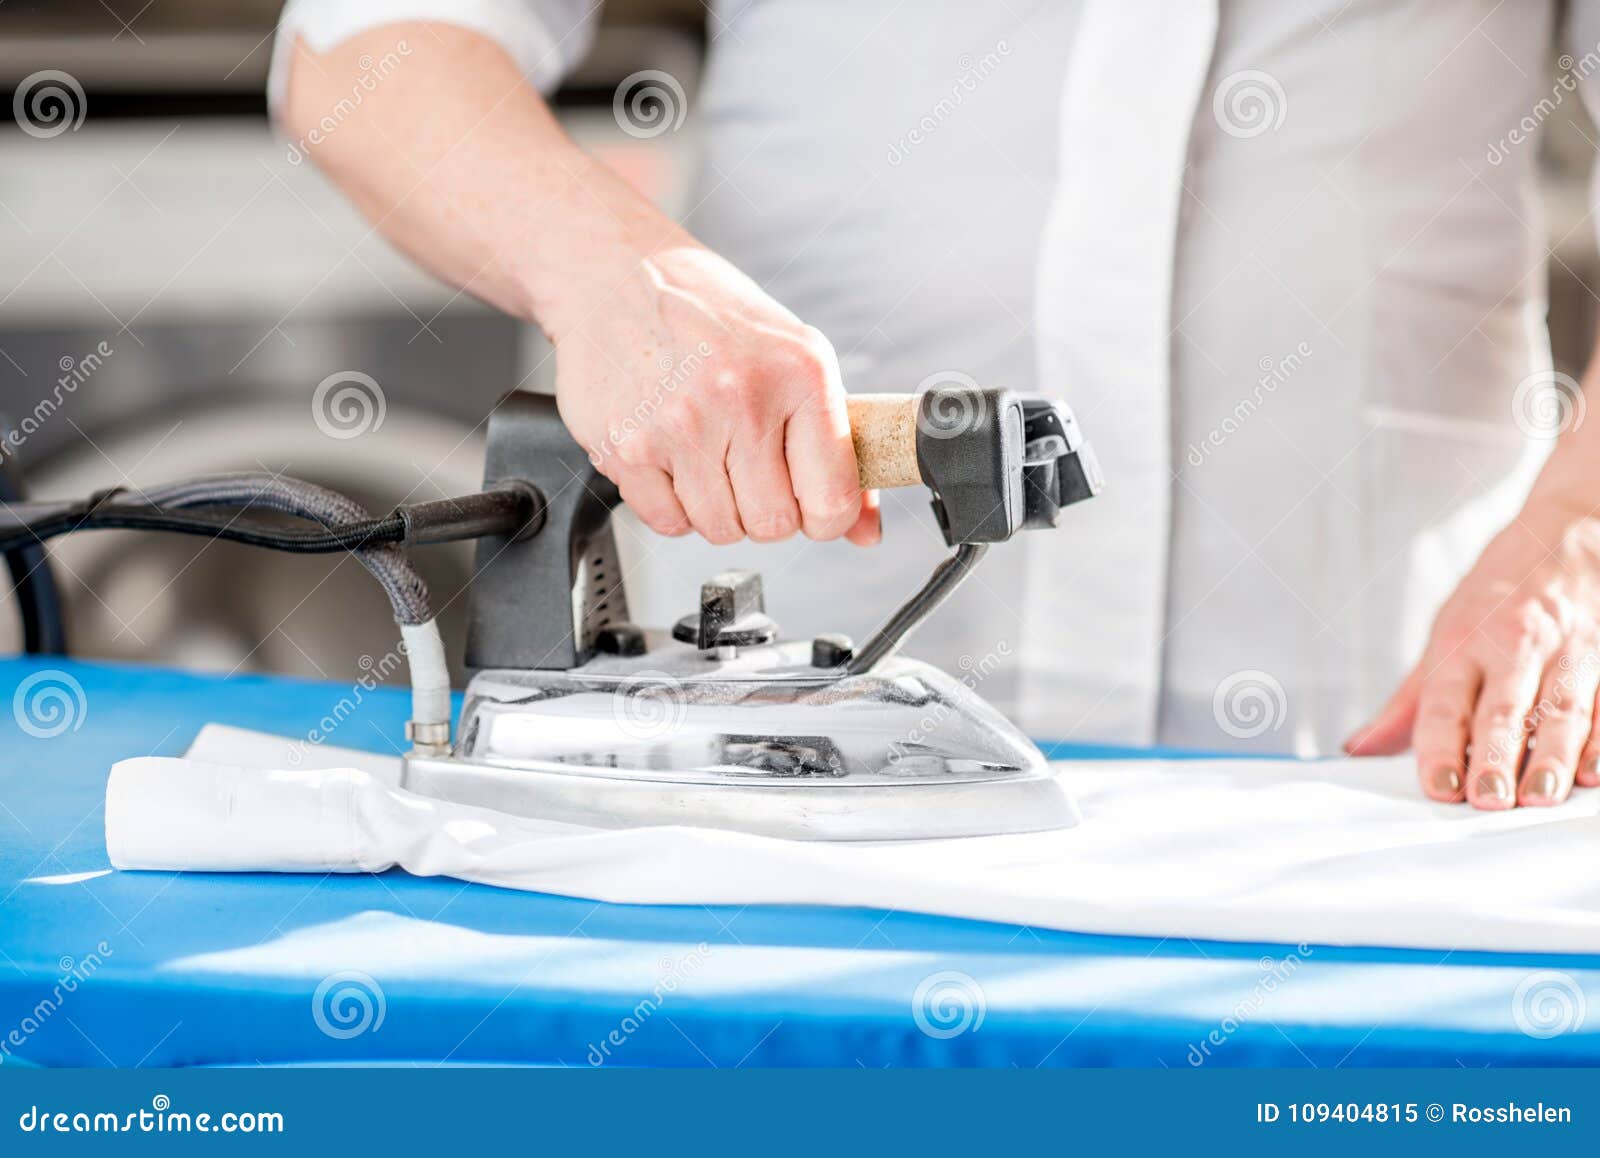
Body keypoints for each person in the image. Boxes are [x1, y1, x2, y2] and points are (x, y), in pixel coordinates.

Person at [272, 0, 1600, 810]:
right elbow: (357, 48)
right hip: (772, 745)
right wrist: (618, 274)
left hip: (1385, 742)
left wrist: (1578, 540)